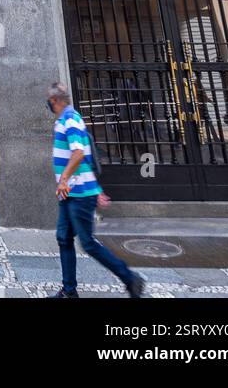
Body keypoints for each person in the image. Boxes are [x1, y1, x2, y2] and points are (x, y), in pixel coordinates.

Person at [47, 81, 144, 299]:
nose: (49, 103)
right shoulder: (69, 118)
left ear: (55, 101)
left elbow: (79, 153)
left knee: (88, 243)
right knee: (63, 238)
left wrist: (64, 179)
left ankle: (130, 278)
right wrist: (96, 188)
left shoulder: (70, 120)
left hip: (78, 193)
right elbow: (88, 157)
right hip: (72, 192)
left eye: (50, 100)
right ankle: (69, 290)